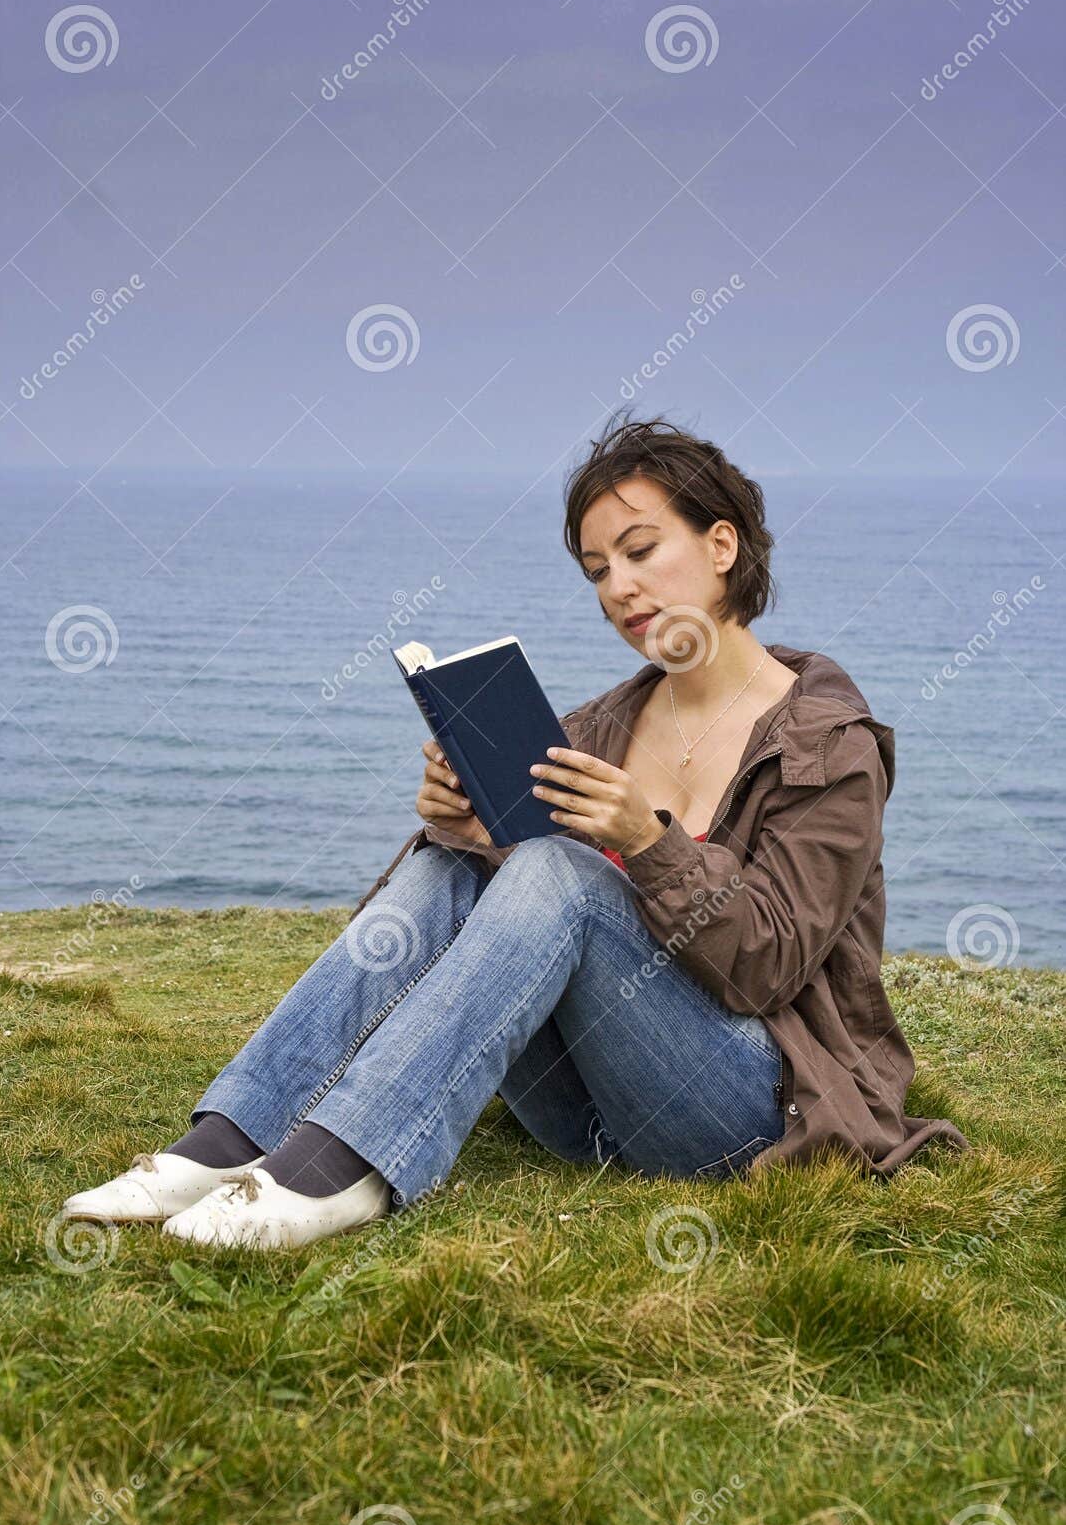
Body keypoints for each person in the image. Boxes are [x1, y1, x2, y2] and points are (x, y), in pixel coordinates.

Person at [60, 413, 969, 1250]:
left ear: (721, 545)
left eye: (640, 550)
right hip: (586, 1111)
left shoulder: (828, 748)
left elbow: (769, 965)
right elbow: (450, 923)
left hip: (749, 1110)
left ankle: (346, 1170)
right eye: (596, 571)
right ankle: (229, 1137)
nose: (620, 588)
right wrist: (458, 827)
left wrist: (649, 845)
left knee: (561, 873)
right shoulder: (593, 728)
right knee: (456, 868)